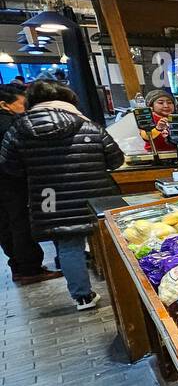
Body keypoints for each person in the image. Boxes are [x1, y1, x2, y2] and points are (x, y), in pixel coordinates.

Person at [0, 81, 124, 310]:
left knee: (67, 243)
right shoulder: (87, 125)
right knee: (115, 241)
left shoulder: (17, 130)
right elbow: (116, 159)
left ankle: (83, 297)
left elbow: (10, 167)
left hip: (49, 196)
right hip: (96, 194)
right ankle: (128, 289)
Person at [0, 84, 59, 285]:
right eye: (22, 104)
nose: (27, 108)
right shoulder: (12, 125)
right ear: (4, 105)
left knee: (6, 225)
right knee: (20, 224)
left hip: (6, 183)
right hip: (12, 184)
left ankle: (19, 267)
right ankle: (30, 269)